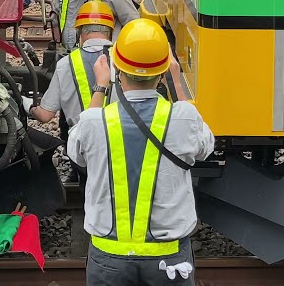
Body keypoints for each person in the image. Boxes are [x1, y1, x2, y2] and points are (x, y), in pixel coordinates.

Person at [67, 19, 213, 285]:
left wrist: (100, 87)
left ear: (115, 69)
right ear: (162, 74)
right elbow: (205, 147)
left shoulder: (93, 122)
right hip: (168, 259)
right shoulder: (184, 118)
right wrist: (176, 82)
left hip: (108, 257)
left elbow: (76, 153)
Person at [25, 0, 115, 129]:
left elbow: (45, 115)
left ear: (79, 32)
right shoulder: (123, 60)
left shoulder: (66, 63)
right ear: (110, 32)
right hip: (118, 140)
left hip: (79, 142)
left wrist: (28, 104)